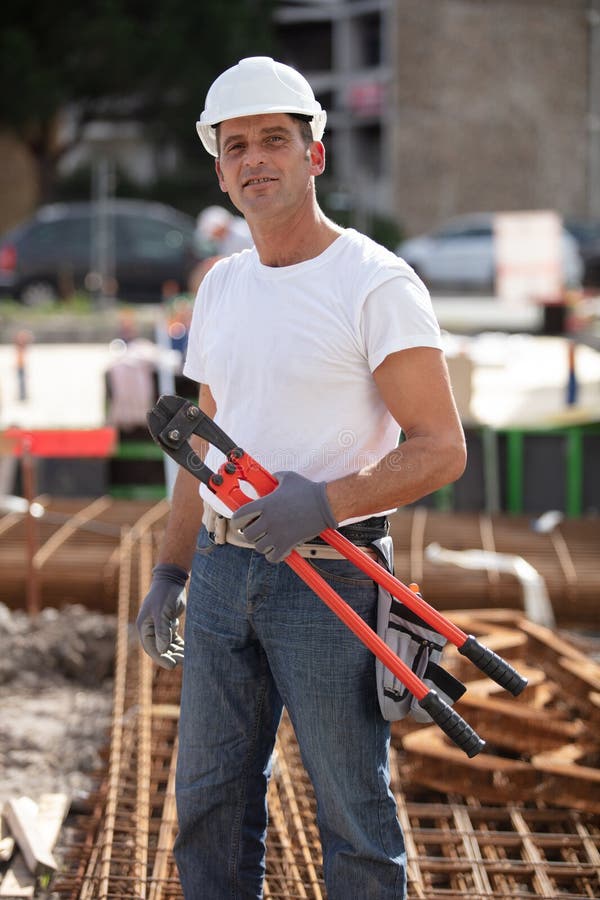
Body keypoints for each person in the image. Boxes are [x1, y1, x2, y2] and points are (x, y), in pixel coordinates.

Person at [136, 56, 466, 899]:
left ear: (314, 154)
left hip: (333, 579)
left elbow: (440, 448)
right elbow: (203, 449)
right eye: (236, 146)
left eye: (274, 140)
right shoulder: (222, 287)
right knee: (208, 804)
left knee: (354, 817)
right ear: (220, 171)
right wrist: (172, 570)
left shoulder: (374, 283)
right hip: (222, 575)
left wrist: (323, 501)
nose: (255, 160)